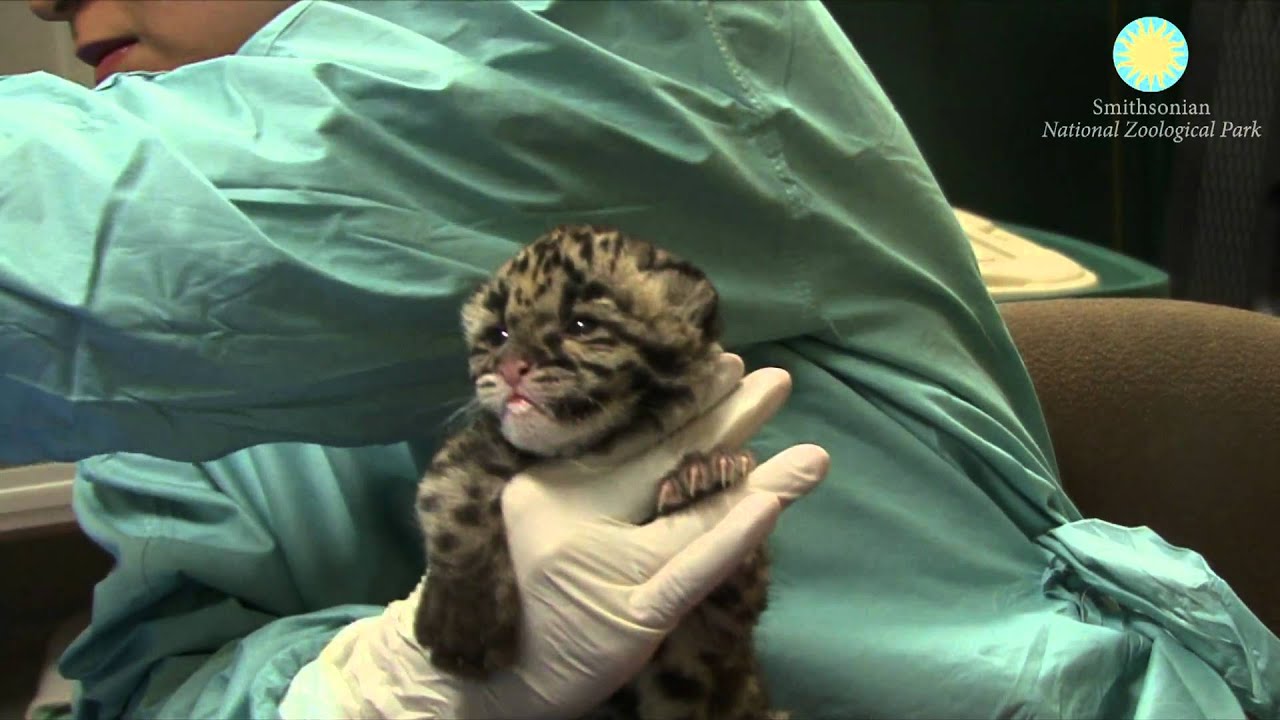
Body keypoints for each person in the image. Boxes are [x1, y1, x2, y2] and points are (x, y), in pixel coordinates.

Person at [4, 1, 1276, 718]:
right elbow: (158, 682)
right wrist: (361, 690)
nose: (61, 6)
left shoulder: (608, 32)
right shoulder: (151, 393)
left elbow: (91, 249)